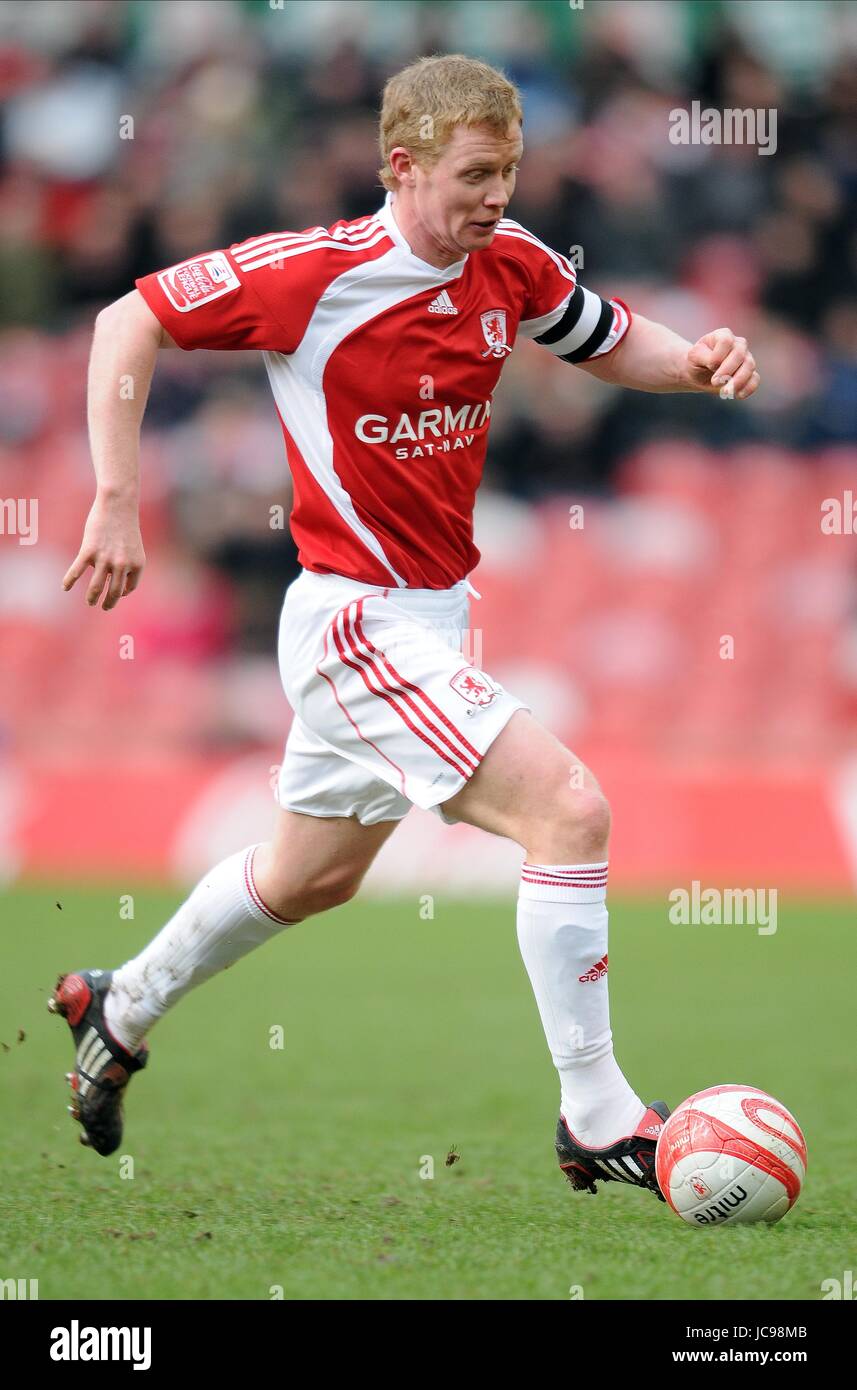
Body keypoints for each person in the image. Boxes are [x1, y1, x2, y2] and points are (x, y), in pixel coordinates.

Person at [51, 54, 759, 1200]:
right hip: (352, 621)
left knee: (309, 875)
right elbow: (125, 320)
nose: (495, 196)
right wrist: (117, 497)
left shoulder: (511, 261)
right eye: (475, 175)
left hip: (429, 622)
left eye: (509, 172)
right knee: (569, 810)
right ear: (401, 165)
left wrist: (694, 361)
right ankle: (596, 1115)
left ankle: (118, 1004)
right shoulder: (318, 272)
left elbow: (601, 334)